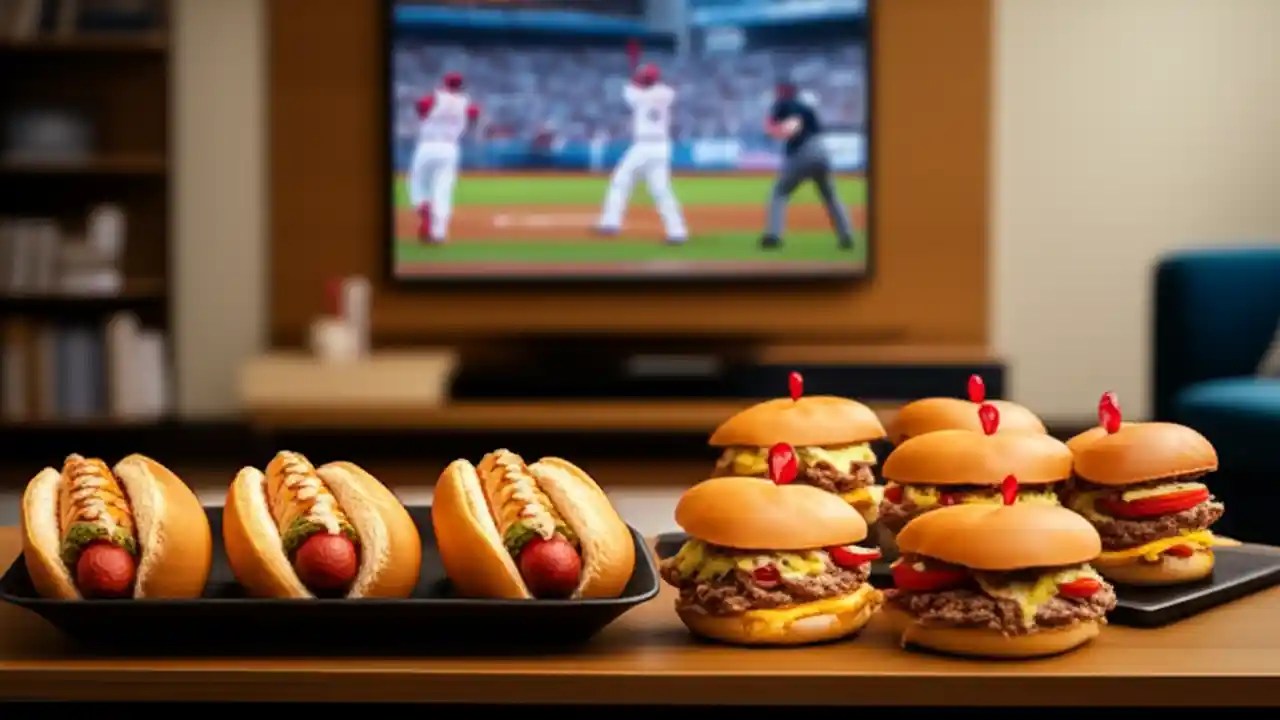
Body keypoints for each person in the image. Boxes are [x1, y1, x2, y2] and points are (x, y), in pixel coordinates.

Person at [594, 62, 689, 244]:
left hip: (644, 145)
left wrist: (636, 75)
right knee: (661, 190)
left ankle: (610, 223)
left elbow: (632, 88)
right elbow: (647, 84)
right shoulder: (667, 93)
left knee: (620, 180)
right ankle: (677, 231)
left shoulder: (636, 95)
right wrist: (643, 75)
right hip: (662, 146)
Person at [761, 81, 854, 250]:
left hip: (802, 151)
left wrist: (771, 129)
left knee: (779, 192)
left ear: (782, 92)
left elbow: (776, 128)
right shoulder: (806, 107)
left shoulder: (782, 103)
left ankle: (773, 236)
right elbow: (815, 128)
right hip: (821, 150)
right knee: (830, 195)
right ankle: (846, 235)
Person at [407, 71, 479, 244]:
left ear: (444, 83)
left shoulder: (431, 99)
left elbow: (419, 106)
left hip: (426, 145)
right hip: (449, 147)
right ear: (461, 85)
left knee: (418, 185)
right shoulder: (467, 104)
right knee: (443, 190)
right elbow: (474, 115)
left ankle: (423, 207)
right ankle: (439, 233)